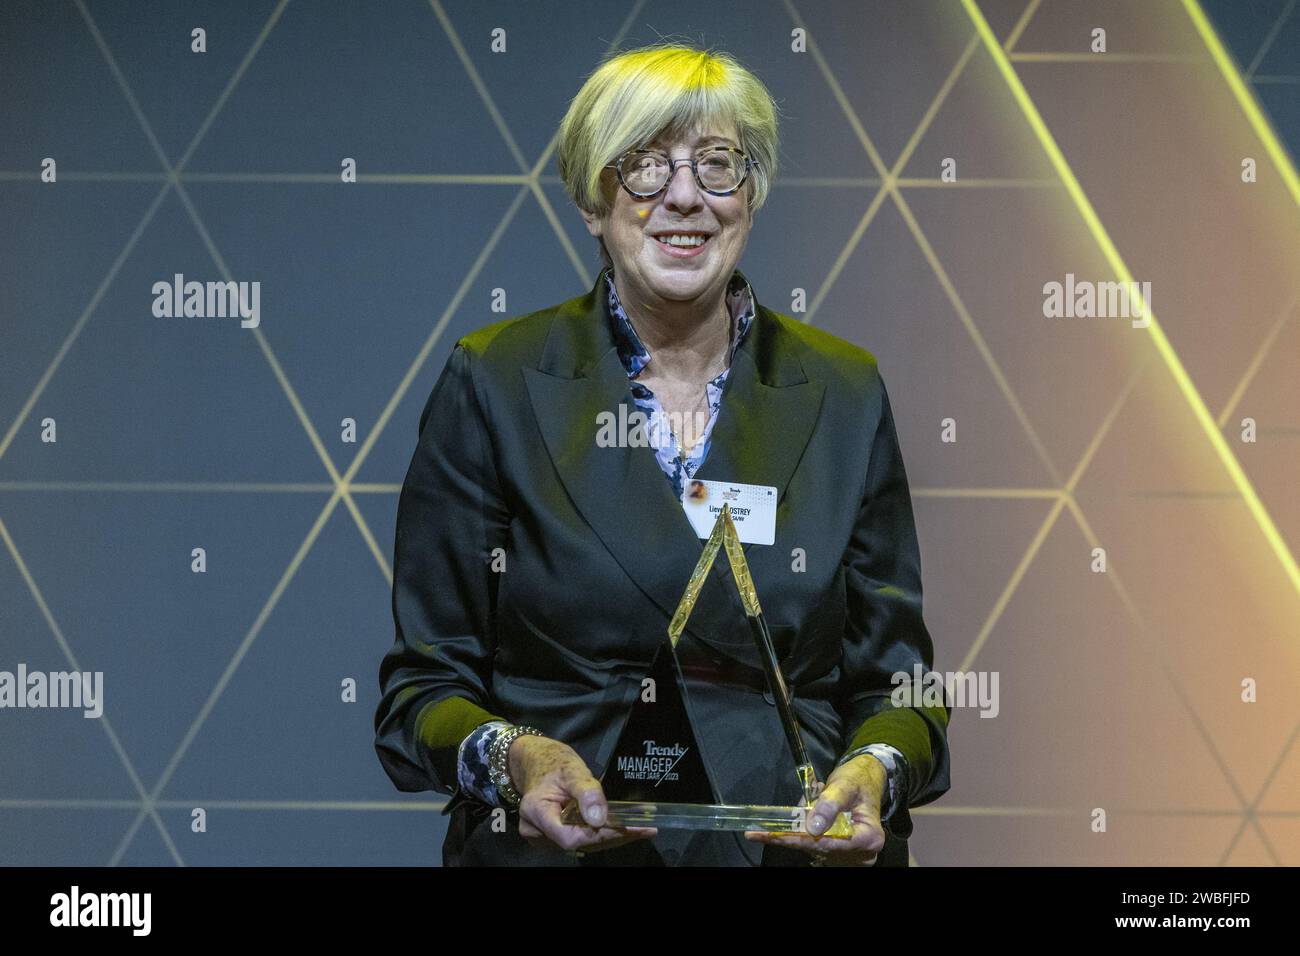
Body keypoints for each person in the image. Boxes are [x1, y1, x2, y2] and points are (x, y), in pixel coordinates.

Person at [374, 43, 950, 867]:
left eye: (719, 165)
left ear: (750, 194)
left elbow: (903, 688)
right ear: (590, 200)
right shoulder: (496, 381)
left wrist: (878, 770)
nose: (686, 196)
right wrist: (518, 761)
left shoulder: (843, 390)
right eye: (643, 168)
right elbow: (421, 694)